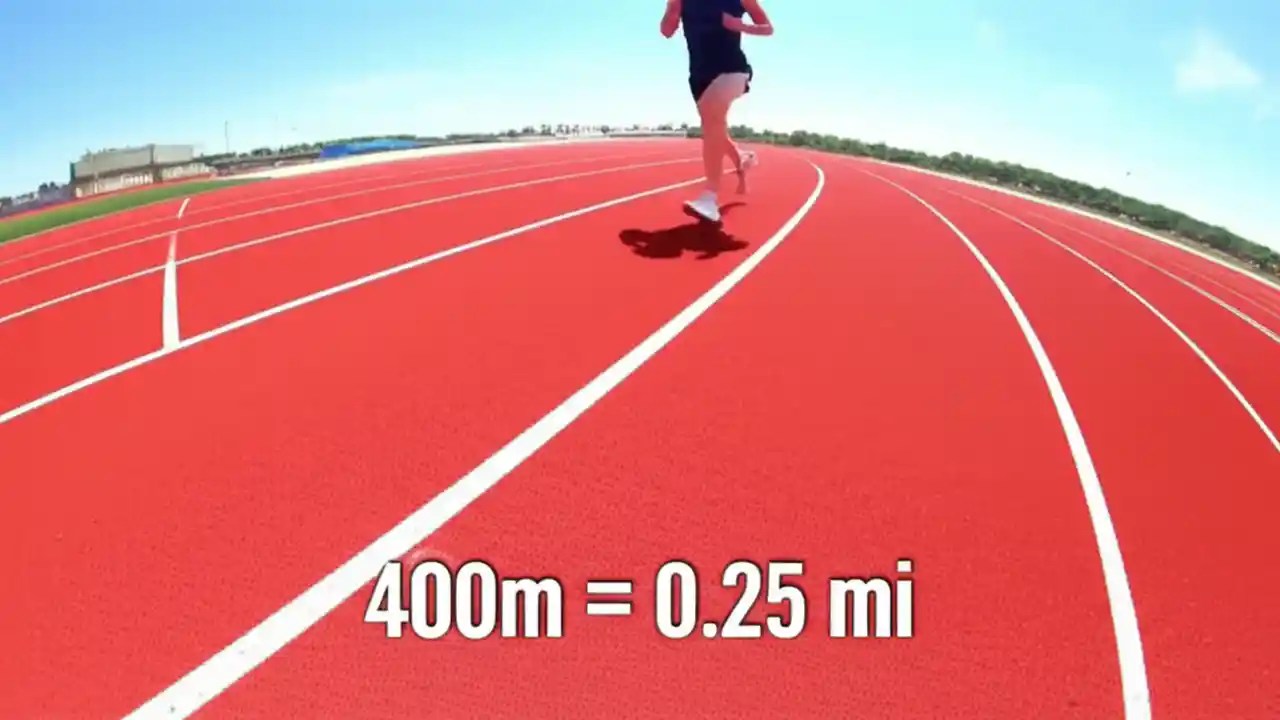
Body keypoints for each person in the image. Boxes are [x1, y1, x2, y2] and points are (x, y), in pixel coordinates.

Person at [661, 0, 773, 223]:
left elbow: (767, 28)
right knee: (713, 126)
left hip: (732, 70)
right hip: (700, 77)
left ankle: (710, 197)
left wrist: (738, 26)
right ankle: (740, 158)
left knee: (712, 121)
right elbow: (666, 31)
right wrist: (673, 8)